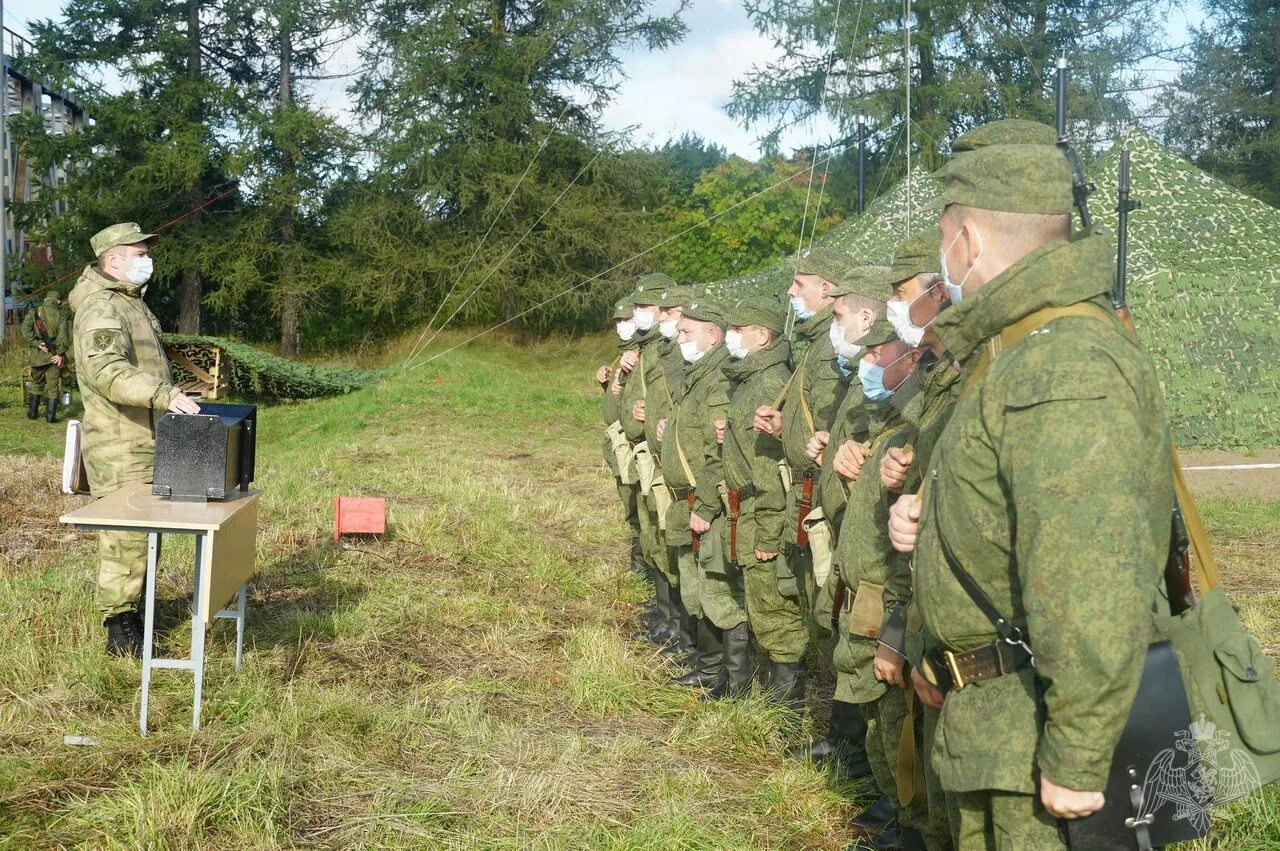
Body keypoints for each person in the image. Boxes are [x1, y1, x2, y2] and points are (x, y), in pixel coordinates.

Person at [888, 138, 1174, 846]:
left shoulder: (1063, 361)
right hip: (993, 727)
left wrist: (1077, 754)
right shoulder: (1014, 348)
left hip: (1036, 751)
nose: (941, 262)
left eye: (942, 238)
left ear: (969, 238)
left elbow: (1090, 572)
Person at [69, 222, 201, 657]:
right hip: (122, 446)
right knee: (125, 540)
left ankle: (140, 614)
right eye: (139, 252)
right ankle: (121, 632)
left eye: (146, 251)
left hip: (148, 439)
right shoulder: (102, 309)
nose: (147, 258)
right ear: (113, 260)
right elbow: (107, 372)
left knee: (146, 535)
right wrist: (166, 395)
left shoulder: (131, 303)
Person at [827, 318, 926, 850]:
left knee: (897, 726)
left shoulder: (914, 433)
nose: (867, 362)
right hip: (870, 593)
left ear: (910, 357)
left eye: (877, 351)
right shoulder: (891, 423)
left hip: (890, 601)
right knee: (880, 723)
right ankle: (897, 820)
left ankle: (904, 828)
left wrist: (897, 626)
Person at [751, 246, 850, 707]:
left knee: (829, 612)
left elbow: (833, 425)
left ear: (826, 288)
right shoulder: (819, 344)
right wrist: (783, 426)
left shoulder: (832, 348)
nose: (791, 292)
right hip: (807, 496)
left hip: (821, 499)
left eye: (799, 284)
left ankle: (843, 732)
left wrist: (814, 441)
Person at [661, 298, 749, 697]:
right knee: (698, 589)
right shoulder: (698, 374)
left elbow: (719, 451)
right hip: (693, 501)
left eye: (687, 331)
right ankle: (710, 671)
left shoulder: (716, 380)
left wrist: (706, 505)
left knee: (718, 594)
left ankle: (731, 683)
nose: (679, 336)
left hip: (708, 501)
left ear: (712, 336)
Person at [719, 297, 791, 697]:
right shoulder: (750, 379)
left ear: (762, 336)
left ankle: (786, 710)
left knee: (774, 615)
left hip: (759, 512)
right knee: (760, 607)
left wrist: (767, 533)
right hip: (744, 509)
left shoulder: (766, 383)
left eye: (738, 328)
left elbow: (768, 467)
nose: (730, 336)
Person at [21, 292, 71, 422]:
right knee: (53, 387)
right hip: (54, 355)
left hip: (37, 355)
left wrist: (36, 343)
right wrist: (59, 353)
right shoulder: (61, 315)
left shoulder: (34, 312)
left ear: (45, 299)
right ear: (58, 302)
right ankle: (50, 417)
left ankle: (32, 414)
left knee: (36, 384)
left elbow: (25, 331)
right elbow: (64, 337)